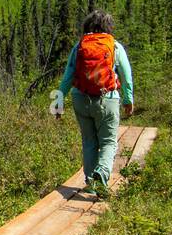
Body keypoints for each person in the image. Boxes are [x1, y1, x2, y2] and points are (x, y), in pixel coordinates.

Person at [56, 10, 134, 198]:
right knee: (108, 142)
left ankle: (91, 182)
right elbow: (126, 75)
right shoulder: (114, 46)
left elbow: (67, 78)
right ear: (108, 26)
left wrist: (58, 104)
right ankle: (102, 174)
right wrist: (128, 99)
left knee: (89, 142)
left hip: (80, 99)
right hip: (107, 99)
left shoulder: (79, 47)